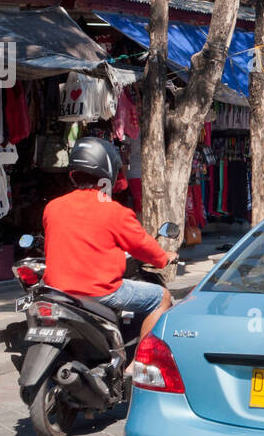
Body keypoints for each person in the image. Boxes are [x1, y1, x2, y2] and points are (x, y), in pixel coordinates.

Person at [43, 137, 173, 350]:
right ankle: (138, 364)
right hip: (100, 291)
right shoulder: (115, 211)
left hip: (56, 291)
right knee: (161, 297)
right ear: (108, 172)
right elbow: (146, 249)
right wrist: (164, 257)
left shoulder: (53, 207)